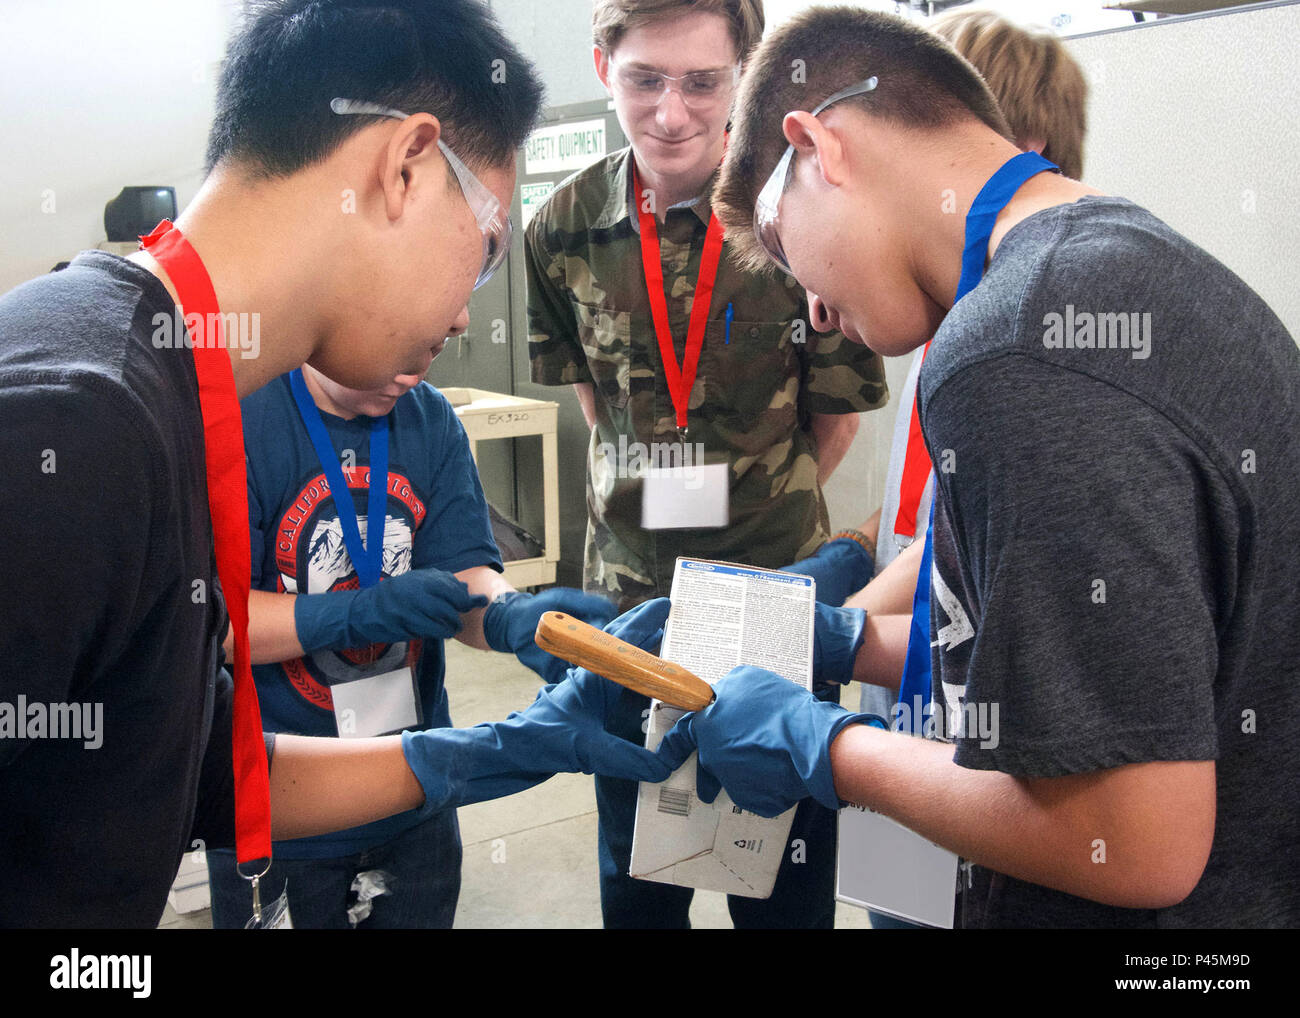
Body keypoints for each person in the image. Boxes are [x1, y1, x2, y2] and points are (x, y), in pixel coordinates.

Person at [0, 0, 669, 929]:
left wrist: (476, 753)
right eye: (483, 254)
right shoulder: (75, 420)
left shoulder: (156, 386)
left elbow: (177, 767)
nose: (470, 315)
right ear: (405, 166)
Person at [657, 7, 1300, 928]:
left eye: (783, 243)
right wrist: (828, 640)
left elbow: (1132, 844)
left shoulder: (1012, 348)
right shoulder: (1119, 263)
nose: (816, 310)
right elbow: (1099, 664)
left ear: (817, 145)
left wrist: (825, 745)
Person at [524, 0, 889, 929]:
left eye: (702, 82)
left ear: (746, 74)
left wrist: (758, 494)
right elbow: (595, 402)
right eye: (645, 79)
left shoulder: (802, 213)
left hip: (778, 602)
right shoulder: (560, 226)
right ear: (603, 65)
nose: (673, 113)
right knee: (639, 874)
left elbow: (834, 414)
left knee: (780, 878)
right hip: (627, 611)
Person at [206, 326, 617, 928]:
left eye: (432, 351)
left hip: (412, 794)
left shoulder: (427, 419)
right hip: (282, 810)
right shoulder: (243, 417)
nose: (414, 374)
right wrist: (353, 614)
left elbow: (463, 574)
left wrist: (510, 615)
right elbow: (217, 626)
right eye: (400, 350)